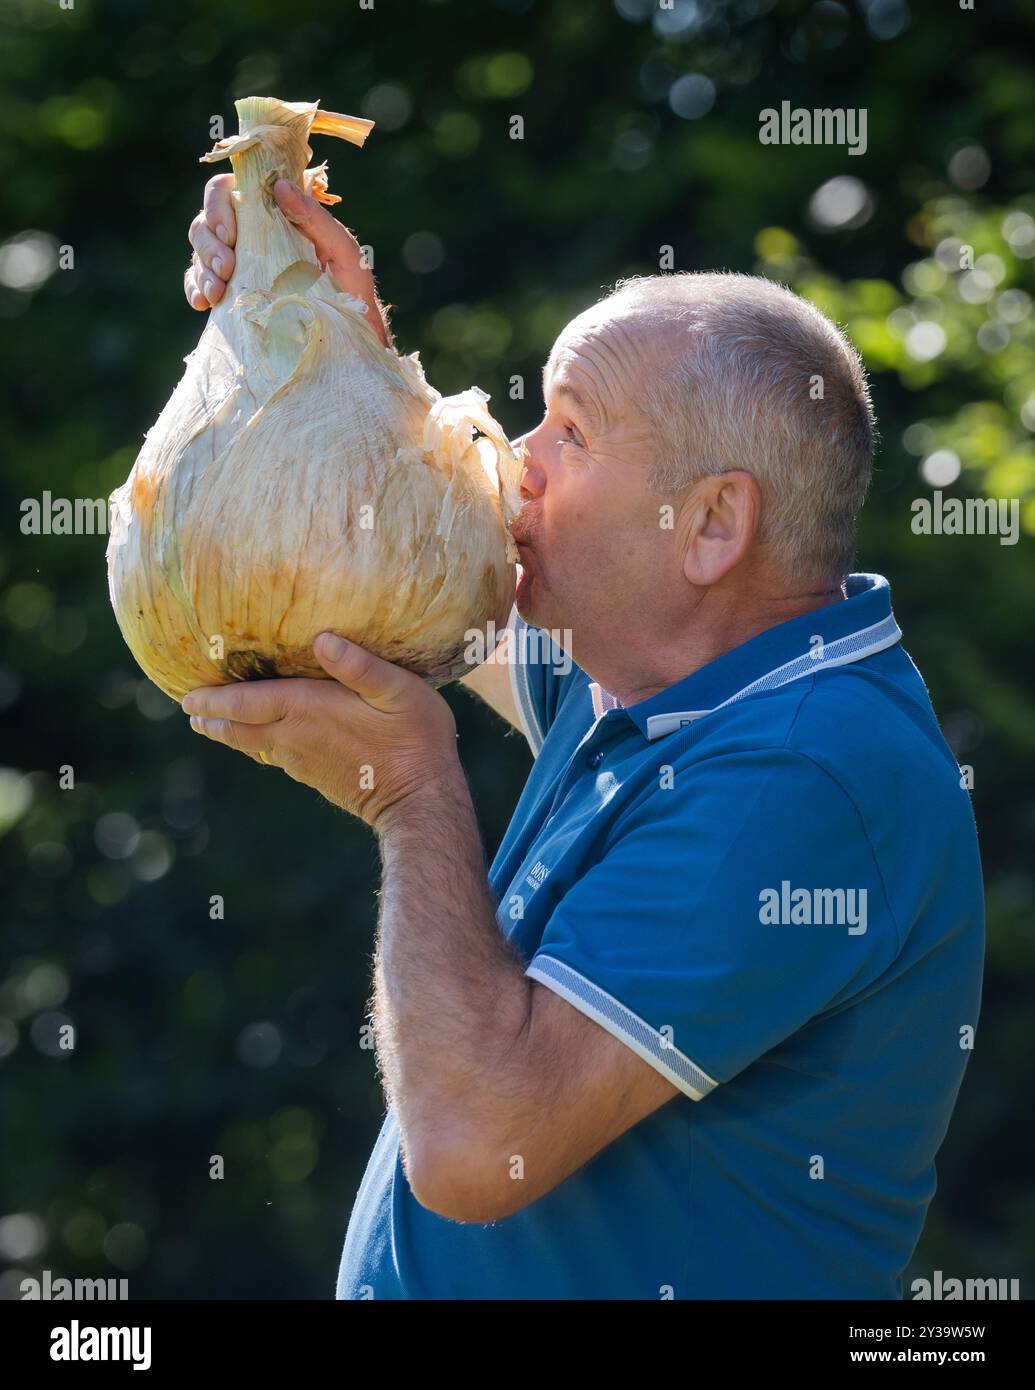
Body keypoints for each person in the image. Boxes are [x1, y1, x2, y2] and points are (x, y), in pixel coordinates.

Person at [180, 175, 985, 1299]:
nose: (519, 456)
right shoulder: (660, 670)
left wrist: (415, 804)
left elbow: (471, 1149)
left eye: (573, 429)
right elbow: (389, 580)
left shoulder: (801, 774)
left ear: (710, 524)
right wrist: (327, 335)